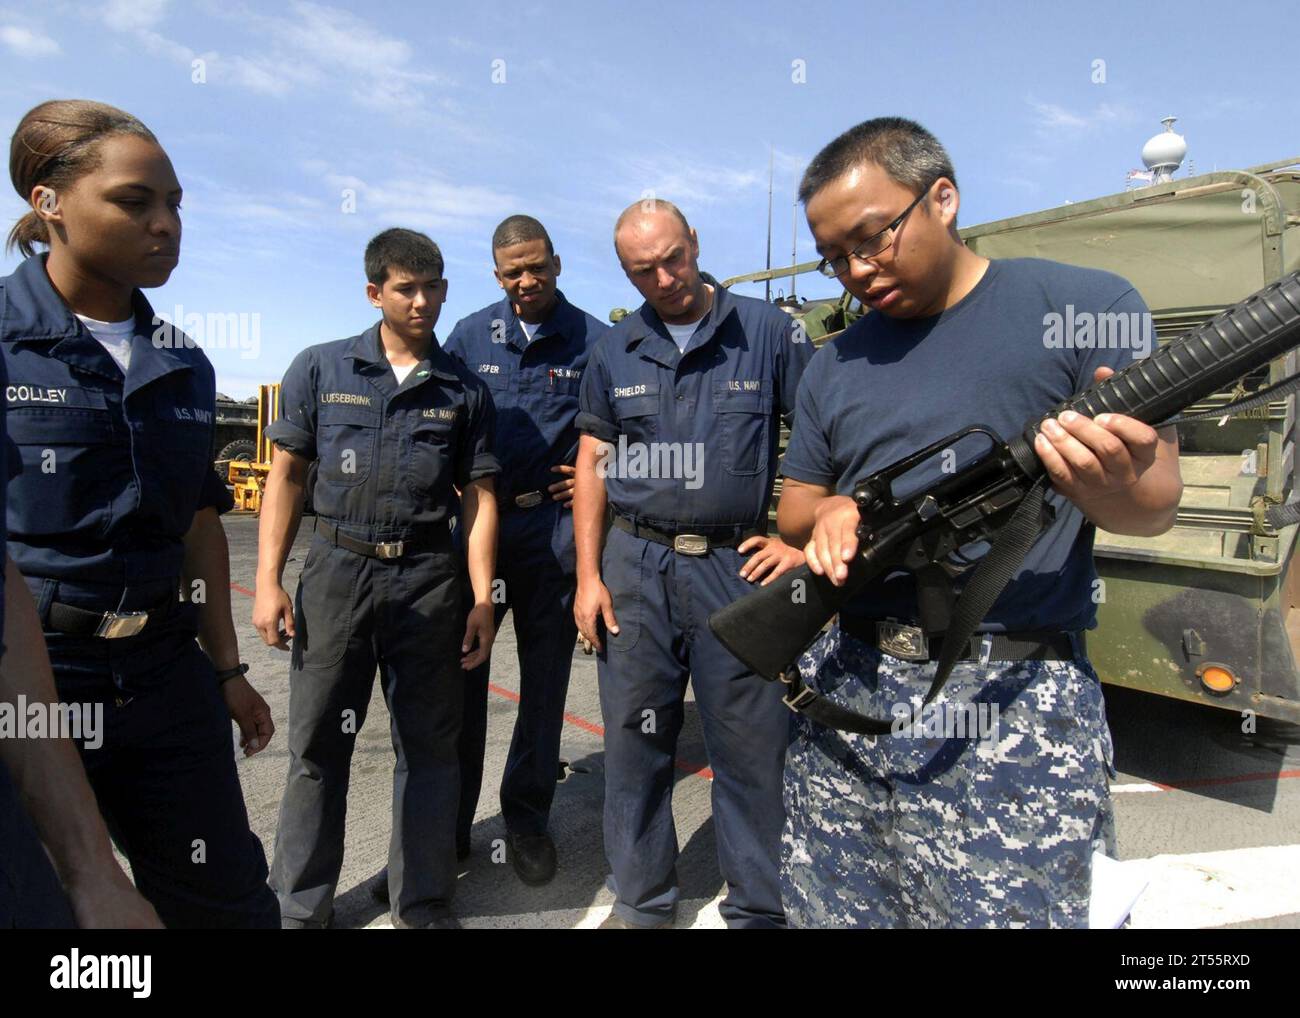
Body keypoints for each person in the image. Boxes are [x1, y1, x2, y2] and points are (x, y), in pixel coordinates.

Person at [778, 117, 1184, 928]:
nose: (858, 271)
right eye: (835, 258)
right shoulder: (836, 362)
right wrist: (829, 511)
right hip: (853, 692)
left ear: (944, 198)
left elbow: (1157, 501)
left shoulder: (1083, 306)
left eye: (874, 239)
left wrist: (1102, 484)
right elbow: (795, 505)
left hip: (1014, 701)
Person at [1, 99, 278, 928]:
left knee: (228, 901)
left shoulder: (182, 362)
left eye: (176, 204)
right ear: (48, 201)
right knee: (61, 915)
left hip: (163, 672)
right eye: (134, 201)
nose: (166, 225)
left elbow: (199, 524)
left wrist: (227, 672)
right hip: (38, 677)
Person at [573, 199, 813, 928]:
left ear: (696, 244)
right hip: (636, 568)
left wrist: (800, 541)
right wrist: (587, 576)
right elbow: (592, 460)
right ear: (625, 272)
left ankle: (758, 909)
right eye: (643, 269)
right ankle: (644, 902)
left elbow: (824, 436)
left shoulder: (769, 333)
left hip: (733, 566)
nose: (666, 277)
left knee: (750, 747)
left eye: (674, 257)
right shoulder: (614, 348)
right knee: (634, 744)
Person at [254, 227, 499, 930]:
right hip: (337, 571)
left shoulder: (463, 390)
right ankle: (300, 906)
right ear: (374, 292)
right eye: (406, 288)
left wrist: (482, 596)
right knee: (317, 745)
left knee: (428, 746)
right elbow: (288, 476)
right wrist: (268, 578)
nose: (422, 301)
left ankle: (420, 902)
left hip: (428, 577)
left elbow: (480, 497)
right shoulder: (322, 369)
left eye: (434, 287)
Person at [443, 214, 608, 884]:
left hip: (551, 537)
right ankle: (445, 827)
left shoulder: (596, 341)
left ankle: (527, 819)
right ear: (496, 274)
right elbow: (439, 416)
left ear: (558, 263)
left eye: (538, 266)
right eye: (514, 271)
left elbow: (629, 424)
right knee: (459, 685)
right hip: (477, 531)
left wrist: (605, 477)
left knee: (544, 688)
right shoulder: (468, 336)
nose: (528, 280)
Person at [0, 340, 160, 929]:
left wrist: (225, 669)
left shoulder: (178, 361)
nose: (169, 238)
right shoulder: (12, 341)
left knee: (224, 888)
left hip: (157, 655)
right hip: (59, 650)